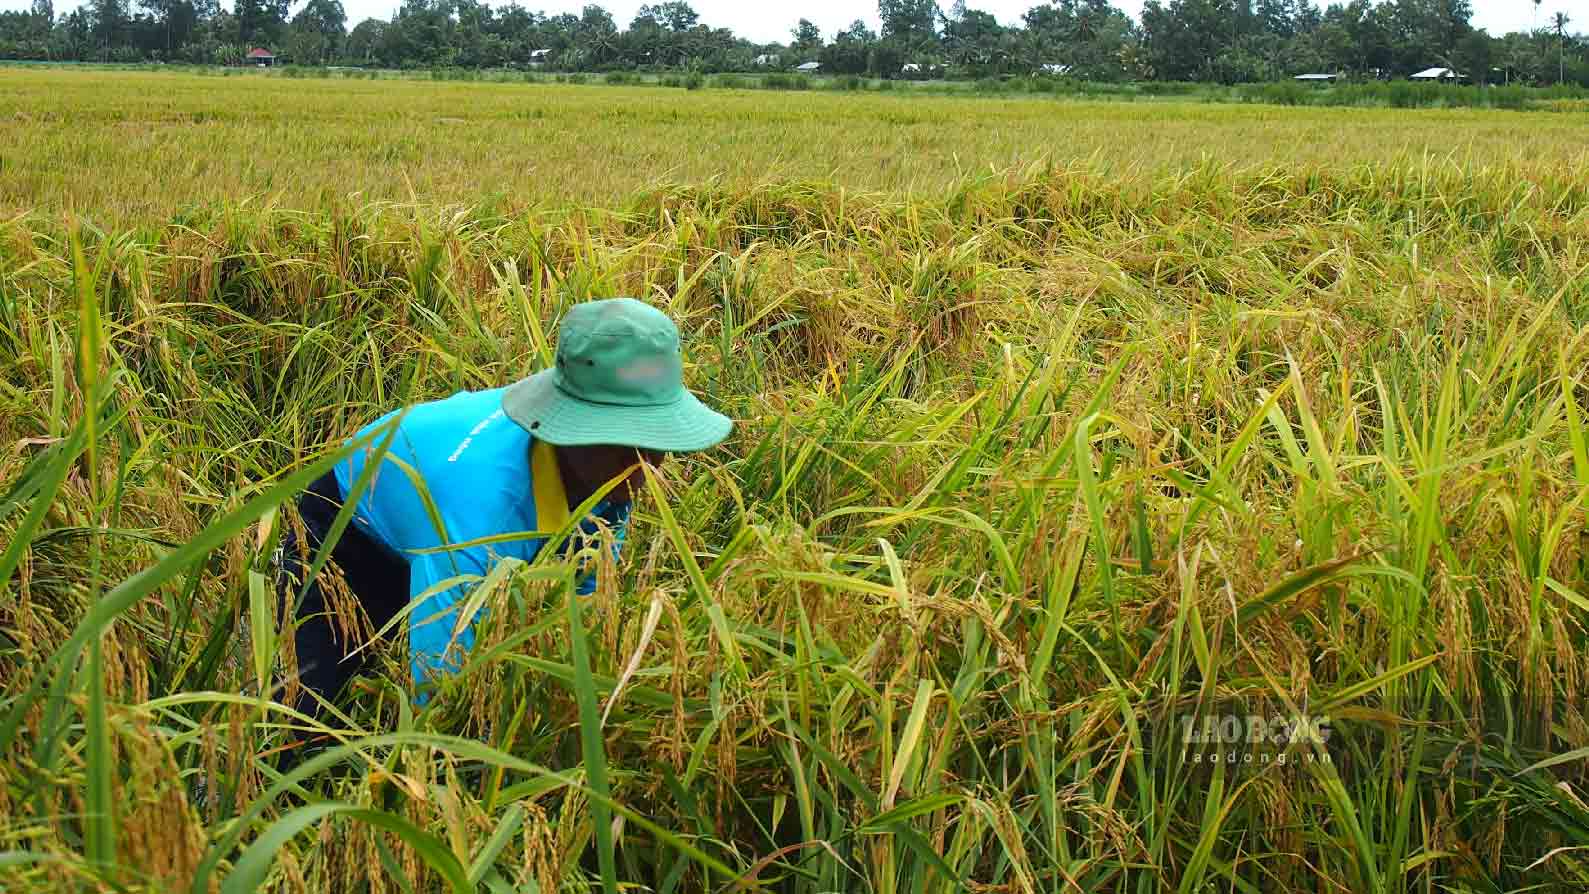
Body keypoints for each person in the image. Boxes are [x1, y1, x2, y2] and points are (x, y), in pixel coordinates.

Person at [273, 297, 732, 723]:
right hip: (347, 522)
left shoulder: (610, 478)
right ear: (570, 431)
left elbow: (586, 602)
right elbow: (438, 682)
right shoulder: (485, 511)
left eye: (656, 444)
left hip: (442, 508)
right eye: (625, 442)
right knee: (311, 708)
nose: (645, 466)